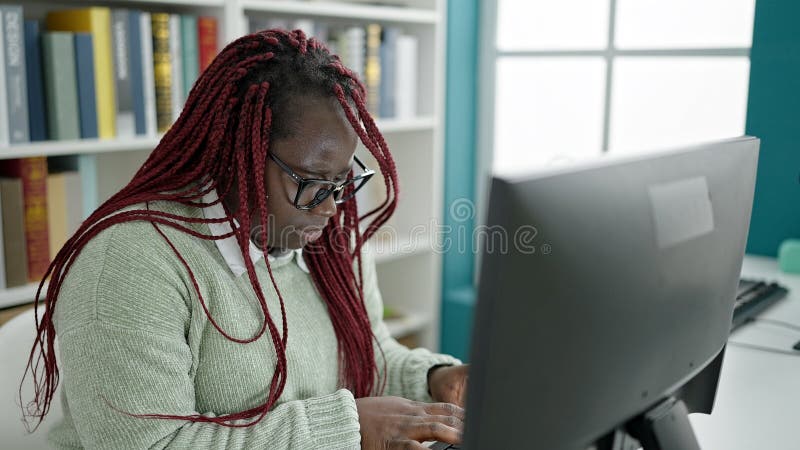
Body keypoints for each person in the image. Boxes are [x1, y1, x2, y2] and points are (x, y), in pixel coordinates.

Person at [21, 29, 469, 449]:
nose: (332, 208)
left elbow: (368, 354)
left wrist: (435, 379)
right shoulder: (131, 261)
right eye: (311, 181)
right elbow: (155, 444)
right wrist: (346, 428)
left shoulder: (325, 238)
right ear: (239, 157)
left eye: (341, 180)